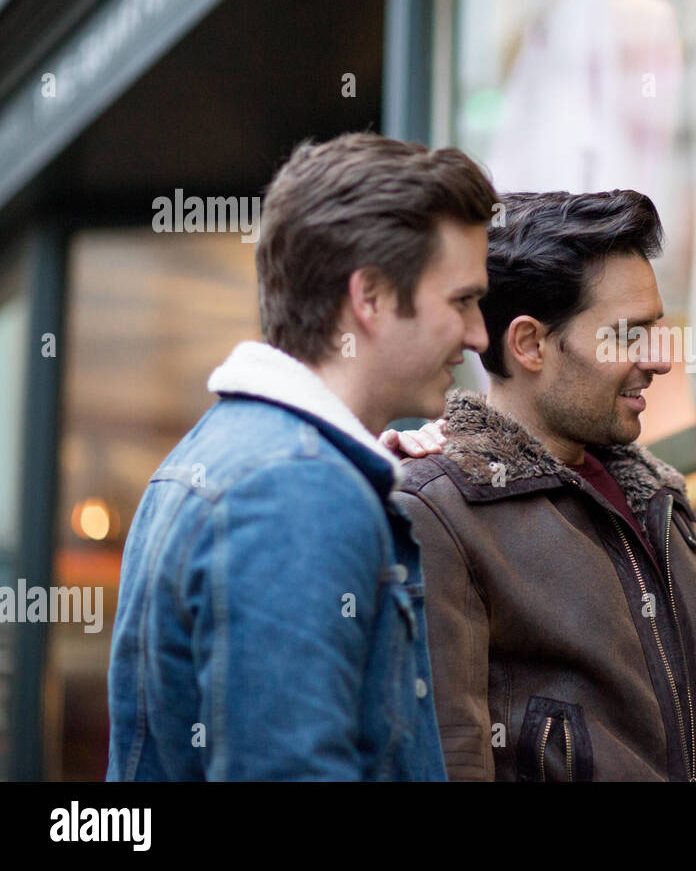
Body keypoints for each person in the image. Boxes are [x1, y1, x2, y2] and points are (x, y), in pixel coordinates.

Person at [106, 132, 497, 780]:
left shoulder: (235, 456)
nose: (479, 335)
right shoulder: (299, 490)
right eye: (462, 301)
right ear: (369, 298)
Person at [384, 190, 696, 781]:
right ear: (529, 345)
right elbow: (448, 758)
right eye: (627, 335)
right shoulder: (441, 510)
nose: (659, 360)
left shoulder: (659, 497)